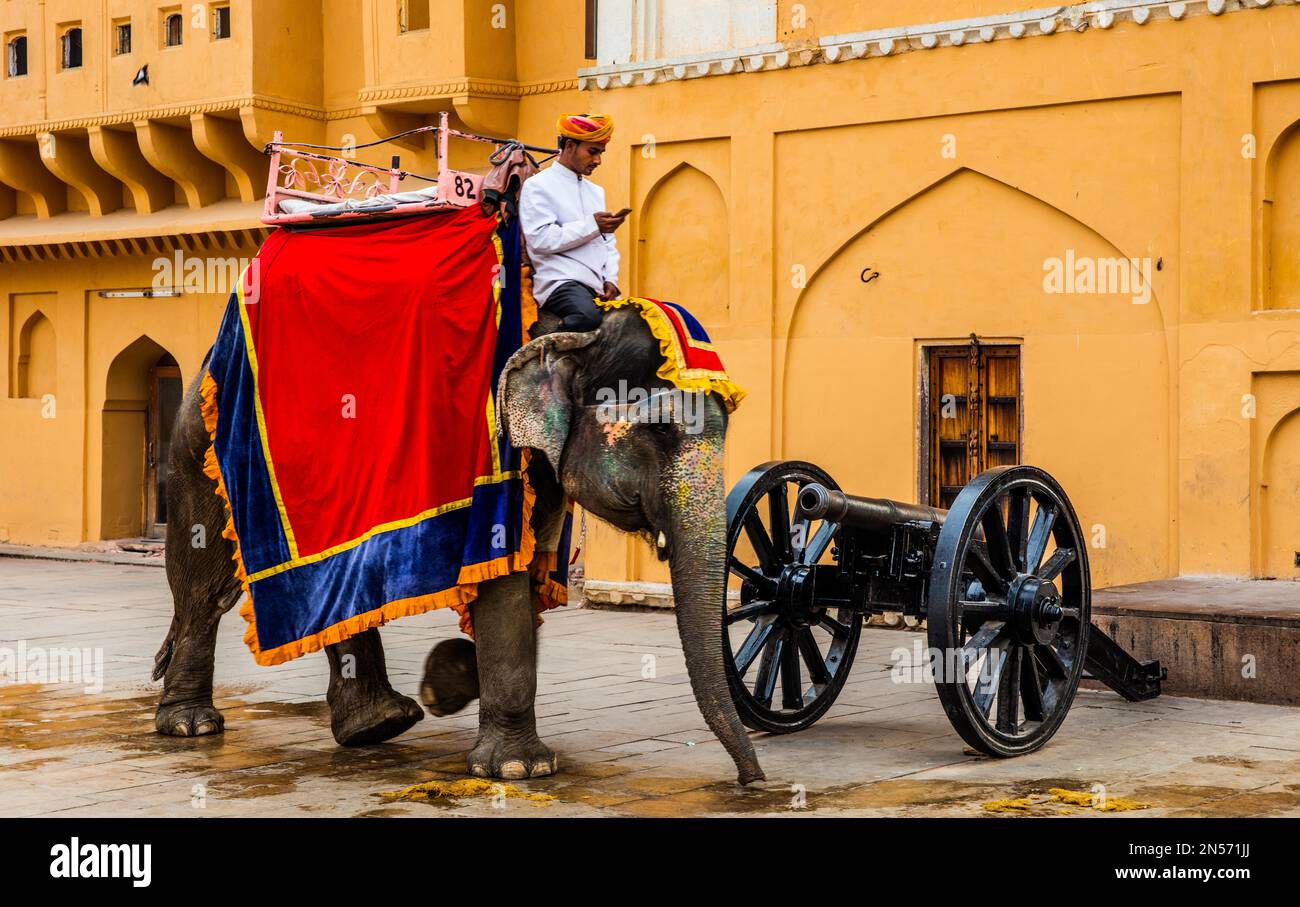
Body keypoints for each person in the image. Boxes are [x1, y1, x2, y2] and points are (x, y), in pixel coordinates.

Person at [519, 113, 627, 332]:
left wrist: (611, 279)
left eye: (601, 153)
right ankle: (543, 358)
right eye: (593, 152)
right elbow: (540, 239)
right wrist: (592, 225)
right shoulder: (538, 185)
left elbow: (608, 243)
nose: (598, 160)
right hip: (560, 281)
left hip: (595, 284)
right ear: (569, 145)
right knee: (586, 317)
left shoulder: (596, 191)